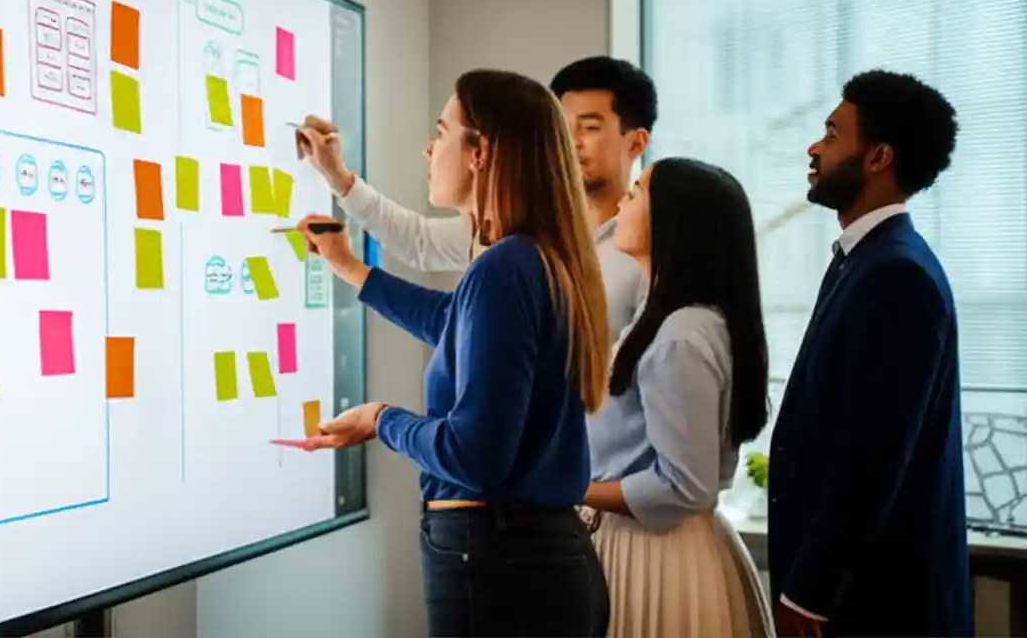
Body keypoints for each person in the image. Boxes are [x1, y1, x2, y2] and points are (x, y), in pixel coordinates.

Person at [297, 69, 611, 637]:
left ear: (480, 151)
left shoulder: (505, 267)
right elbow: (456, 322)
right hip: (537, 562)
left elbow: (473, 456)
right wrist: (350, 267)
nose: (428, 146)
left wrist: (380, 420)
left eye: (441, 131)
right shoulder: (536, 258)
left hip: (502, 567)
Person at [768, 69, 971, 636]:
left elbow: (874, 455)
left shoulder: (898, 273)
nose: (814, 147)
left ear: (879, 156)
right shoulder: (864, 259)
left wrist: (810, 594)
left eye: (832, 134)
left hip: (876, 605)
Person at [299, 55, 654, 341]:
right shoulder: (517, 230)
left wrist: (382, 419)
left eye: (589, 128)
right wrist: (339, 178)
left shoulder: (645, 252)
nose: (570, 142)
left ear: (636, 143)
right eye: (562, 128)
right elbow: (417, 242)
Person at [581, 157, 775, 637]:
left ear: (676, 220)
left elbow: (684, 486)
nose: (624, 197)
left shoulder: (680, 335)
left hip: (656, 556)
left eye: (640, 189)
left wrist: (569, 489)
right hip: (647, 545)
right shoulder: (662, 317)